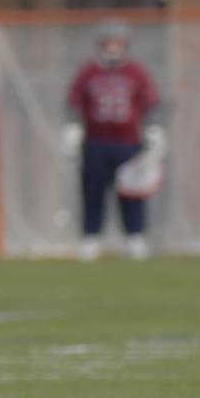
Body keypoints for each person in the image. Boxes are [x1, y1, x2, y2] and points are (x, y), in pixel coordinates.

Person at [63, 19, 164, 260]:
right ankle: (90, 238)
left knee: (132, 191)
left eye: (116, 42)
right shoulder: (88, 71)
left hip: (128, 142)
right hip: (96, 141)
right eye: (108, 42)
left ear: (124, 45)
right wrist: (73, 127)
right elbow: (74, 102)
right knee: (93, 191)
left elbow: (150, 102)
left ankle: (135, 237)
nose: (112, 47)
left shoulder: (136, 72)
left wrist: (153, 128)